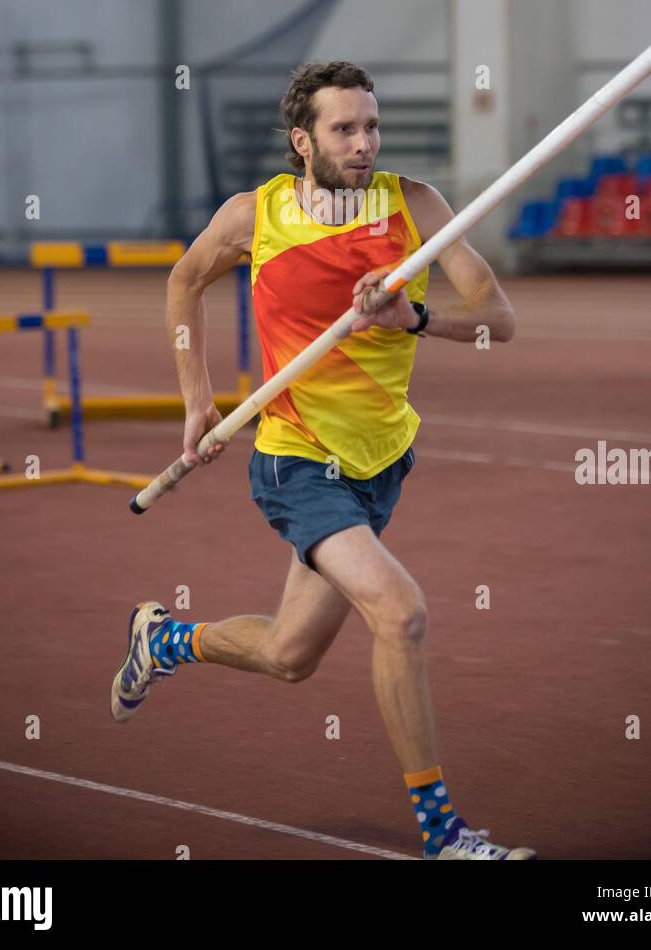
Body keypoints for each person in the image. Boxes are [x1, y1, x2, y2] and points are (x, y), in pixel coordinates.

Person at [111, 59, 536, 861]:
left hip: (382, 462)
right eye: (345, 128)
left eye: (372, 126)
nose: (365, 142)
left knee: (289, 655)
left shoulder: (415, 207)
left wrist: (413, 320)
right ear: (303, 140)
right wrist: (195, 395)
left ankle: (162, 641)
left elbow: (498, 321)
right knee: (400, 613)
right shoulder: (256, 216)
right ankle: (444, 834)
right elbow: (183, 280)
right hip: (298, 460)